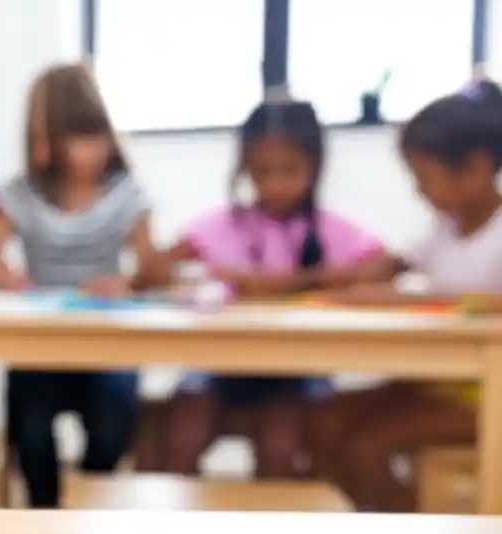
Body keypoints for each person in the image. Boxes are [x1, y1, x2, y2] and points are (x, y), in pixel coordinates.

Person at [0, 64, 165, 508]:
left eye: (97, 136)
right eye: (76, 139)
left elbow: (152, 268)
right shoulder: (22, 193)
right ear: (45, 144)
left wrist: (130, 281)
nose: (89, 152)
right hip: (40, 344)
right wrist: (1, 276)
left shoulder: (127, 193)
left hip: (106, 344)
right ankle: (44, 512)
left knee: (114, 418)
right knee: (32, 426)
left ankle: (91, 503)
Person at [161, 99, 382, 480]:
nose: (275, 184)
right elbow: (157, 266)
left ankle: (269, 533)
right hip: (220, 364)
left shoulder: (331, 230)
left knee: (281, 447)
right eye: (262, 172)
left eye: (289, 171)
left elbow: (386, 264)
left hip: (297, 368)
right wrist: (195, 275)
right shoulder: (223, 225)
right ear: (245, 168)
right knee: (182, 435)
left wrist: (291, 283)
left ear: (314, 168)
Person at [310, 81, 502, 511]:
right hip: (436, 380)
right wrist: (343, 279)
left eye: (423, 177)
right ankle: (360, 523)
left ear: (476, 168)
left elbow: (484, 304)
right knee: (323, 420)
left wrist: (403, 301)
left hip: (489, 391)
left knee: (365, 449)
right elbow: (393, 263)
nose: (418, 191)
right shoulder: (446, 227)